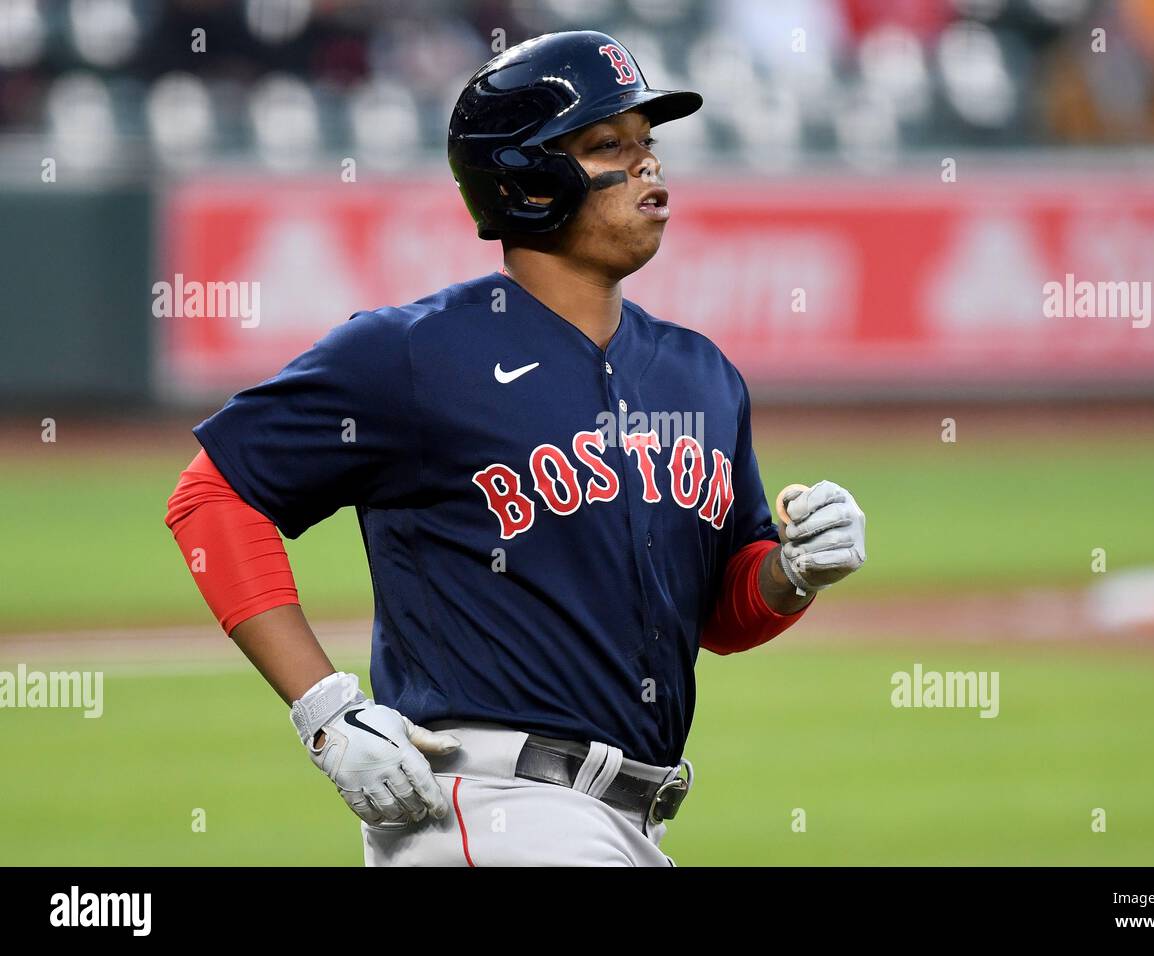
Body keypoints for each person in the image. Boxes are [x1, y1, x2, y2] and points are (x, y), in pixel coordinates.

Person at [165, 30, 866, 867]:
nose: (649, 167)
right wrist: (324, 708)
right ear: (526, 179)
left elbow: (713, 615)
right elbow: (212, 497)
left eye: (649, 143)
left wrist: (793, 572)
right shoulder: (416, 353)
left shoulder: (701, 375)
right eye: (609, 145)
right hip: (490, 810)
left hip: (630, 823)